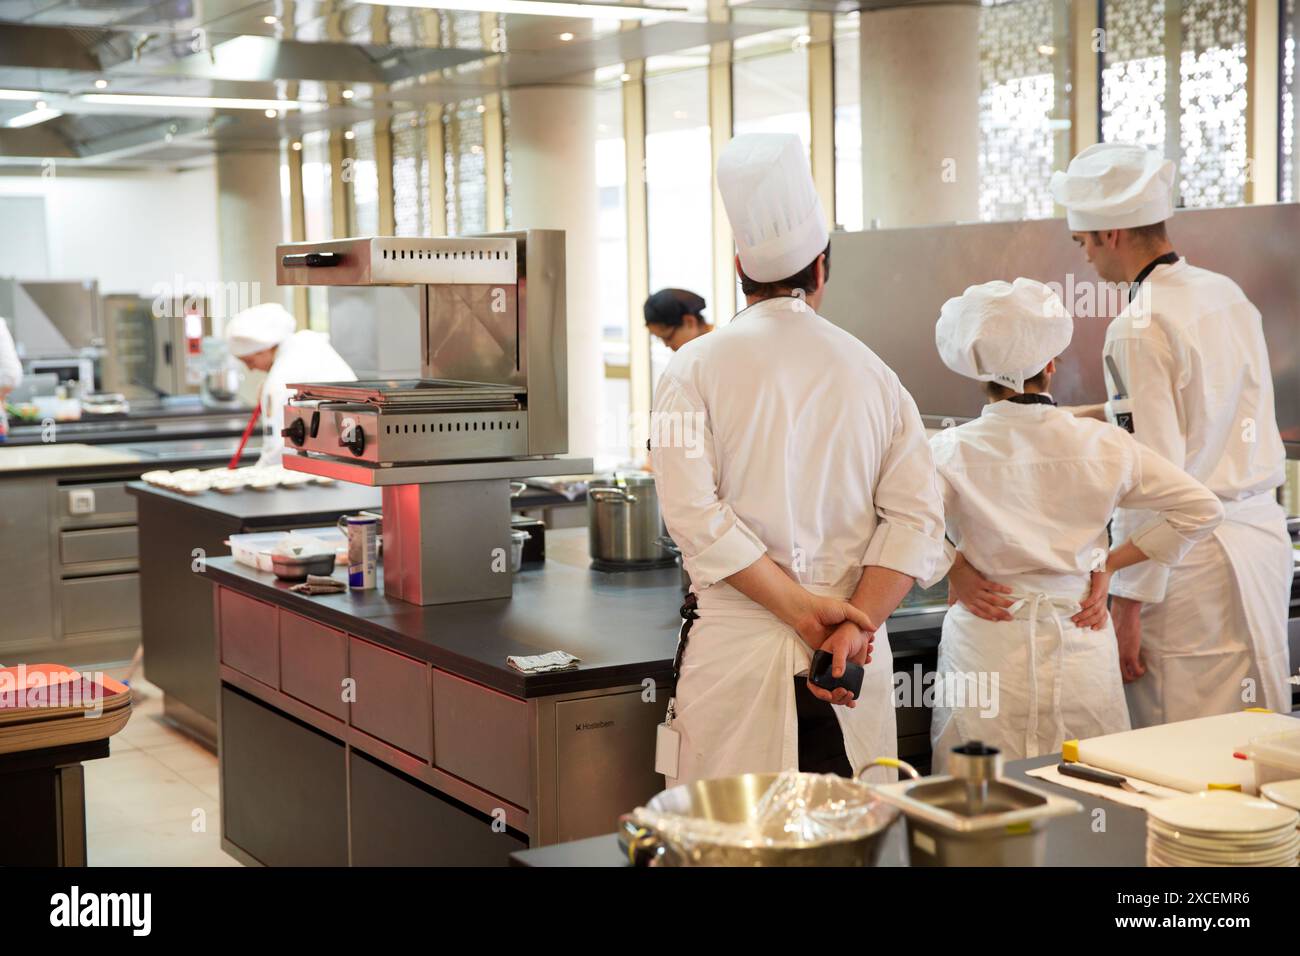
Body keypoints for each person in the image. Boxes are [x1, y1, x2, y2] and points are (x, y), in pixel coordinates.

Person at [649, 133, 946, 787]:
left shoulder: (691, 369)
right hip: (848, 663)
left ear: (737, 268)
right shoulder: (876, 374)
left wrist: (801, 613)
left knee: (731, 847)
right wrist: (846, 625)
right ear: (821, 268)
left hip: (736, 660)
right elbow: (917, 520)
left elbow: (695, 516)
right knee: (851, 843)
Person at [928, 278, 1224, 768]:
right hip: (1080, 637)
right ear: (1049, 365)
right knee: (1090, 797)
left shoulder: (950, 448)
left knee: (981, 802)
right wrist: (1108, 562)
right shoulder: (1103, 445)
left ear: (979, 372)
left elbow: (899, 525)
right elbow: (1202, 508)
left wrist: (954, 566)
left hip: (987, 646)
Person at [1048, 142, 1293, 725]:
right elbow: (1204, 414)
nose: (1084, 258)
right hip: (1260, 542)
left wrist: (1126, 597)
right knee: (1258, 734)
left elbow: (1150, 476)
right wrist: (1077, 417)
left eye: (1082, 242)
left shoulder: (1137, 325)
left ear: (1110, 234)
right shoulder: (1224, 293)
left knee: (1183, 737)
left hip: (1193, 570)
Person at [224, 302, 356, 467]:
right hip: (352, 454)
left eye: (249, 361)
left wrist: (253, 477)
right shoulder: (309, 342)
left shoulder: (279, 381)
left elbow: (277, 451)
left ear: (264, 349)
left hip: (326, 464)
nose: (251, 369)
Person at [644, 289, 711, 352]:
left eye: (668, 337)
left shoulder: (718, 352)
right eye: (660, 338)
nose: (666, 345)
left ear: (689, 322)